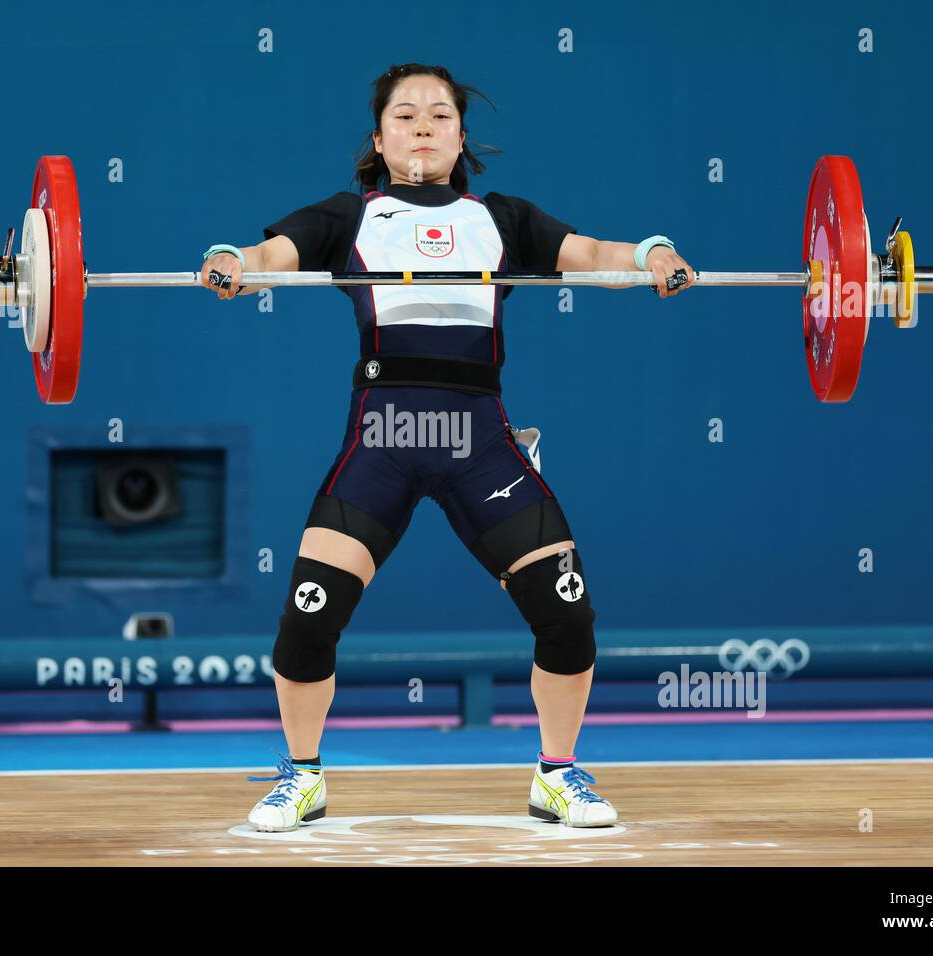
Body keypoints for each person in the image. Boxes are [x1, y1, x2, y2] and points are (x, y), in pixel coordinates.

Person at [199, 63, 695, 831]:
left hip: (480, 440)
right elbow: (271, 260)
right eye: (405, 116)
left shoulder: (504, 219)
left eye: (438, 115)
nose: (423, 126)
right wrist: (233, 262)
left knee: (567, 613)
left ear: (461, 137)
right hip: (383, 437)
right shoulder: (347, 217)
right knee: (309, 613)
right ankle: (302, 777)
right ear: (379, 138)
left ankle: (557, 776)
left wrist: (654, 254)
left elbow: (596, 254)